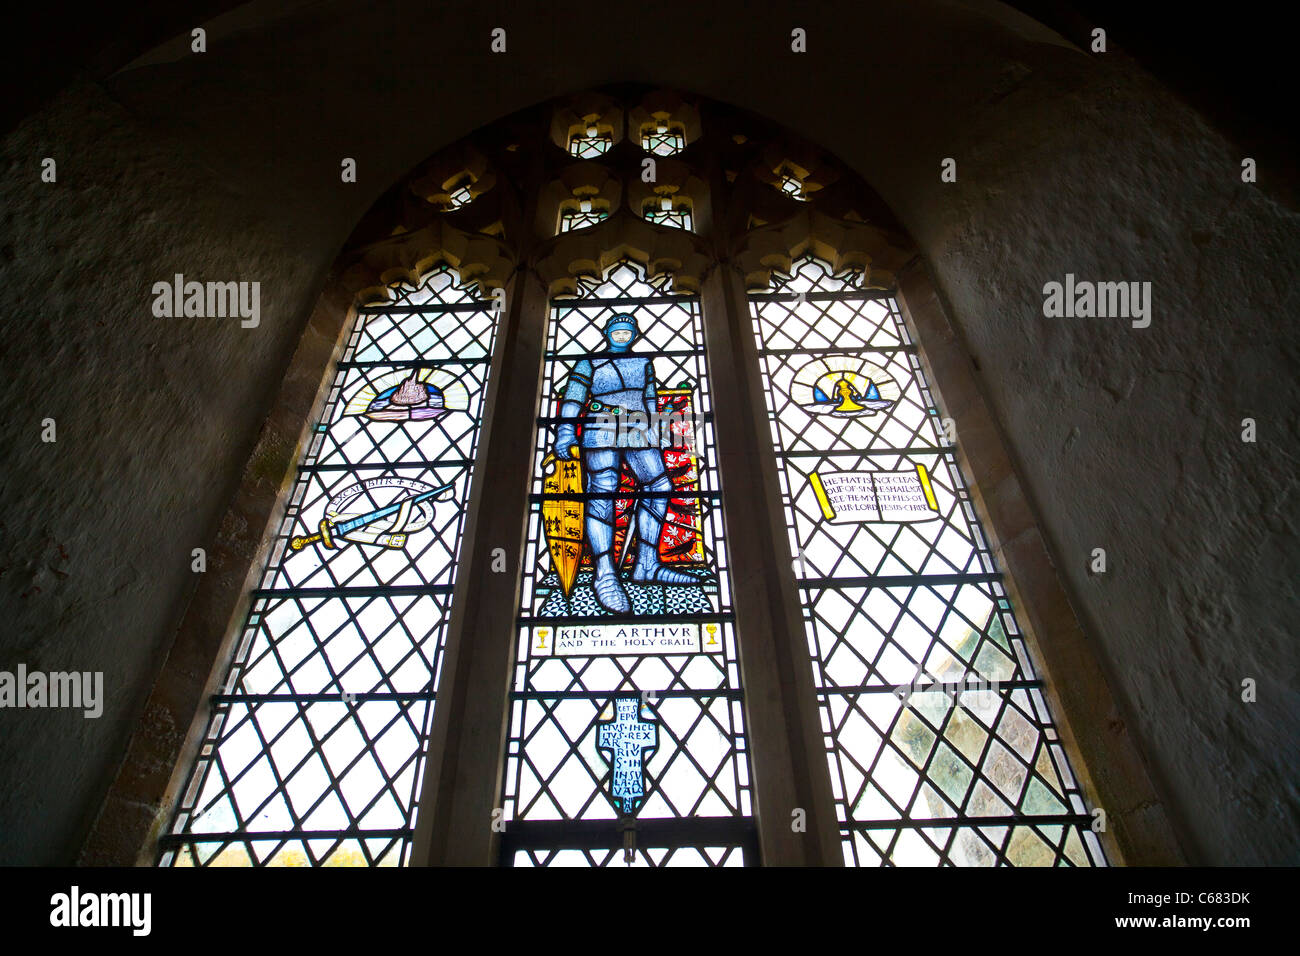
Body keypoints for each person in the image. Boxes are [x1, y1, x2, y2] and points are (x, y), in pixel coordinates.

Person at [554, 313, 701, 613]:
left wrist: (656, 428)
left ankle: (647, 564)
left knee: (659, 486)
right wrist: (566, 430)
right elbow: (574, 397)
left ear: (635, 335)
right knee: (602, 493)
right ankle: (605, 575)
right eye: (617, 331)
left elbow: (649, 397)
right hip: (601, 426)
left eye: (628, 332)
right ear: (606, 332)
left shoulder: (643, 363)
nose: (622, 336)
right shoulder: (589, 363)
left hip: (639, 427)